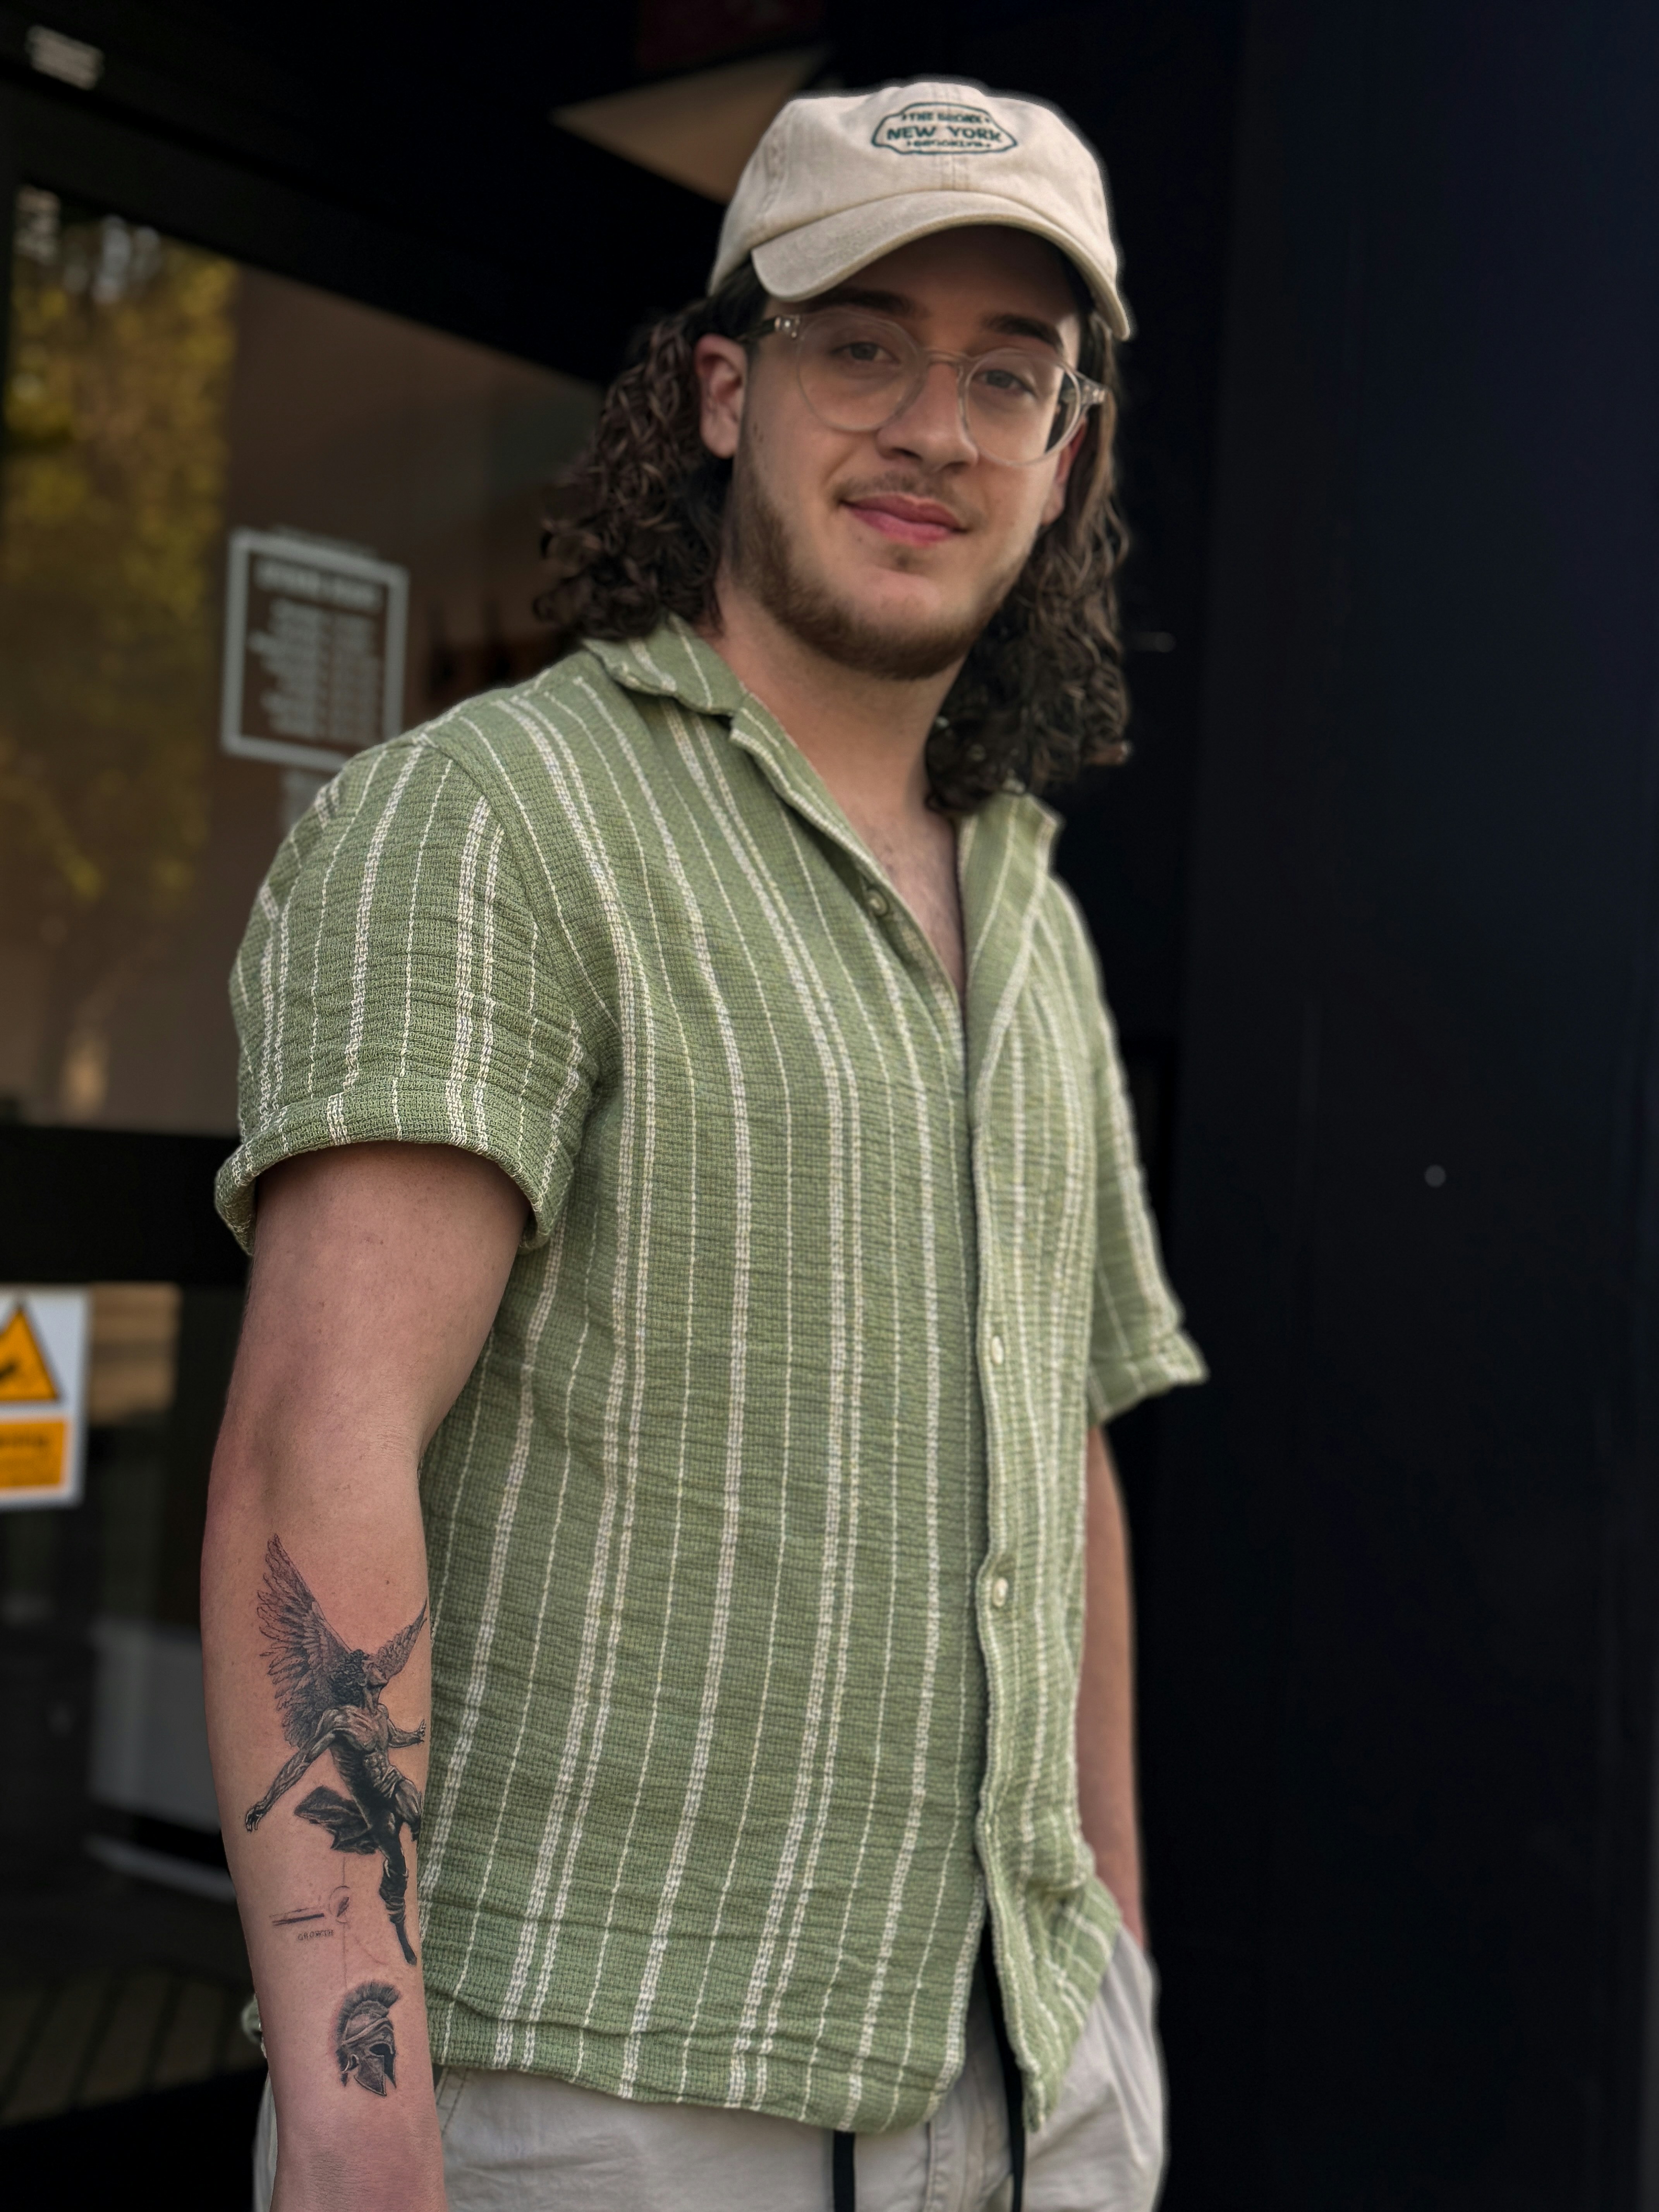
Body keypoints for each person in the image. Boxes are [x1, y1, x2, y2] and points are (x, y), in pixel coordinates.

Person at [203, 76, 1205, 2212]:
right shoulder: (498, 820)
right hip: (600, 2106)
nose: (934, 428)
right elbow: (321, 1448)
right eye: (864, 347)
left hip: (1032, 2088)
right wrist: (361, 2125)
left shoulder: (1031, 912)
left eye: (1007, 379)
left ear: (1069, 457)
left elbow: (1068, 1460)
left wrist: (1108, 1956)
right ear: (728, 391)